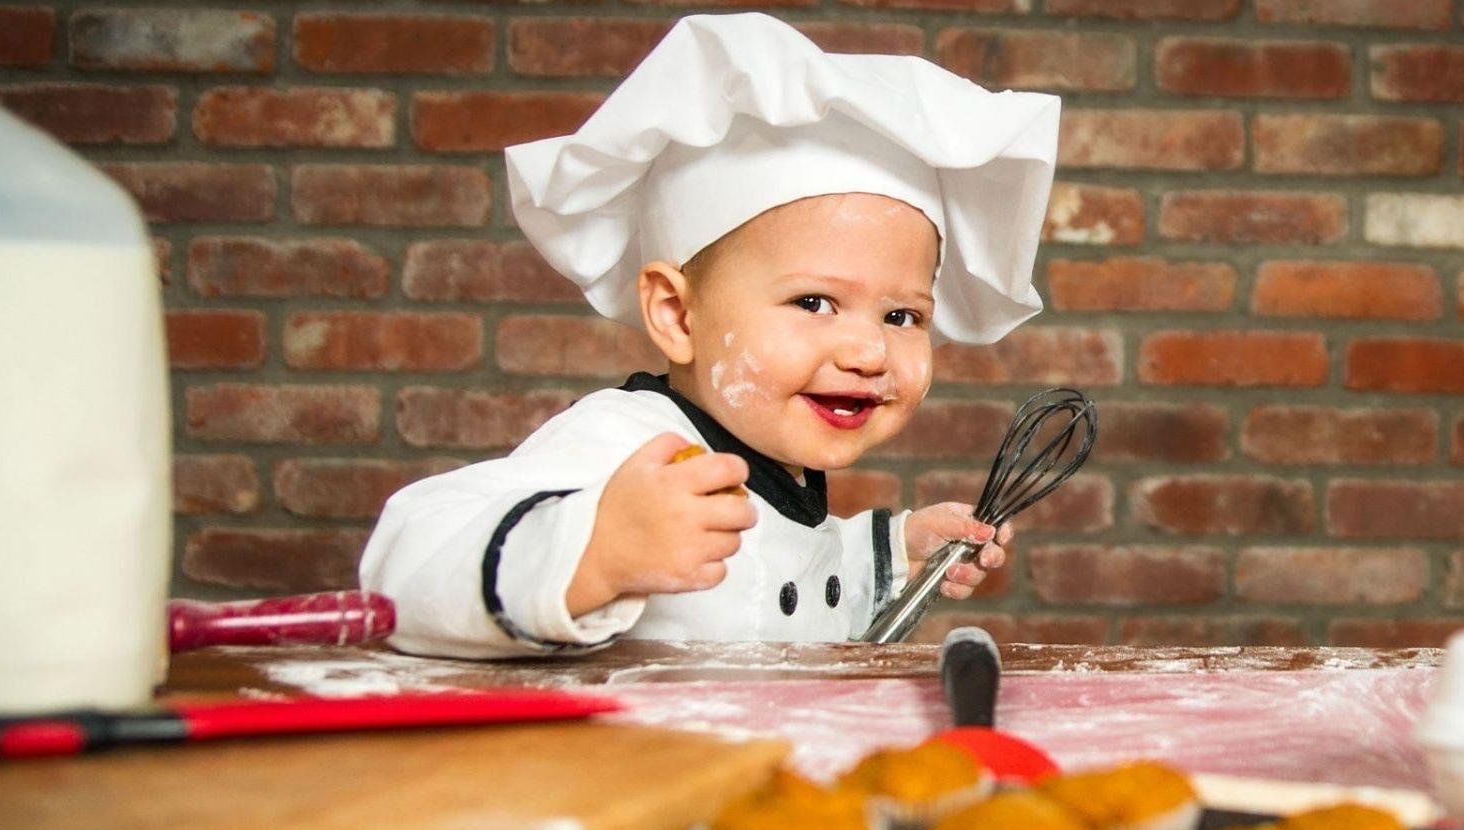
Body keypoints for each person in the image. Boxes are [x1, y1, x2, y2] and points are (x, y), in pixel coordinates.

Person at [360, 12, 1060, 659]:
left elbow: (790, 576)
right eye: (814, 301)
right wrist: (592, 549)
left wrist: (899, 551)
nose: (869, 351)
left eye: (901, 316)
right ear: (676, 315)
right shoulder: (629, 445)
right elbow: (404, 565)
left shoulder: (781, 466)